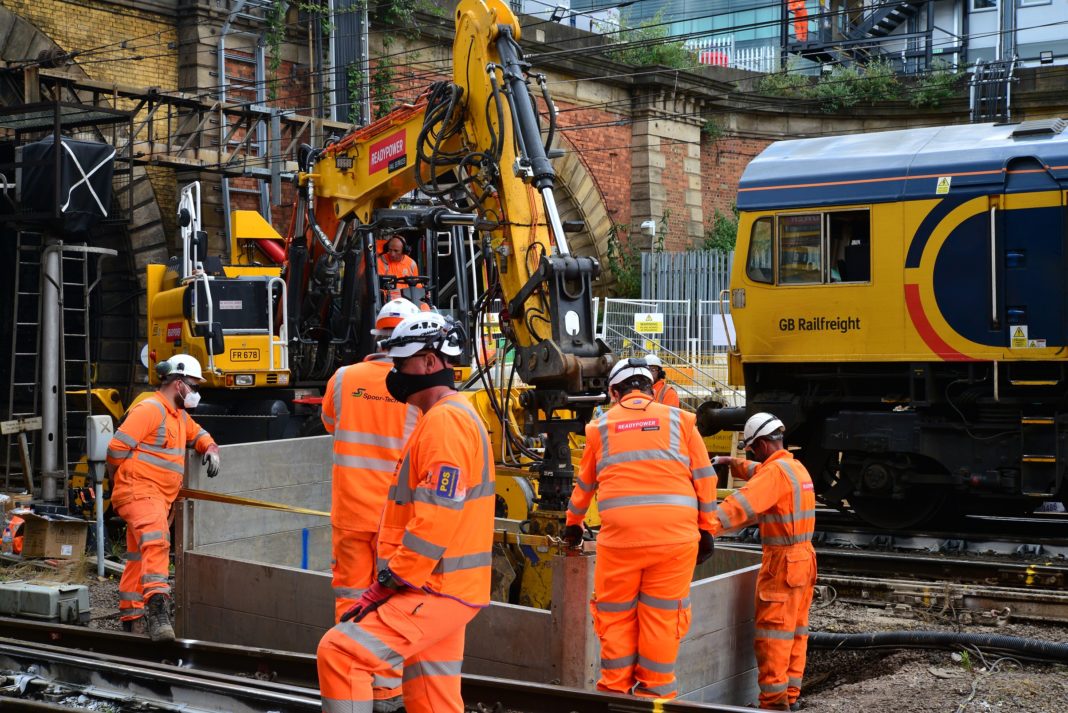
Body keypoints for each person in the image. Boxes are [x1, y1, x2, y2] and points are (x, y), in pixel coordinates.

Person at [317, 312, 495, 713]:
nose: (394, 372)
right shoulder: (448, 417)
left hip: (433, 586)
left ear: (431, 362)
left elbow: (438, 515)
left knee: (340, 653)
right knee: (433, 698)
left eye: (402, 363)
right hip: (450, 588)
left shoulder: (445, 424)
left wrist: (393, 579)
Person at [563, 358, 717, 700]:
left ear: (614, 392)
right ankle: (656, 698)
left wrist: (572, 526)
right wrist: (707, 530)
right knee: (662, 618)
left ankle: (614, 696)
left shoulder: (600, 428)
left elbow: (584, 488)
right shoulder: (682, 421)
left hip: (620, 544)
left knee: (616, 616)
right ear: (650, 388)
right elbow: (705, 479)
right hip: (675, 542)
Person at [320, 298, 422, 713]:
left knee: (350, 599)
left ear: (376, 335)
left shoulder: (344, 379)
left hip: (350, 513)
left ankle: (351, 688)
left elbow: (331, 423)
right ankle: (386, 692)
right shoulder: (414, 387)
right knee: (391, 604)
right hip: (395, 518)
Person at [106, 354, 220, 642]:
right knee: (157, 540)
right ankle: (157, 611)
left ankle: (132, 618)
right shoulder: (150, 409)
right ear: (178, 384)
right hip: (140, 491)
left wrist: (211, 448)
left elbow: (200, 434)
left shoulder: (178, 415)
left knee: (138, 555)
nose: (195, 392)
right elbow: (116, 450)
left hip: (155, 495)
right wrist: (122, 480)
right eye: (193, 385)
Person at [710, 412, 817, 711]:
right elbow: (763, 472)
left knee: (773, 636)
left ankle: (772, 704)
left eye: (752, 449)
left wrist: (703, 528)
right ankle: (790, 698)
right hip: (804, 560)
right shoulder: (795, 468)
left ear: (762, 445)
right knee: (795, 632)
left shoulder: (775, 475)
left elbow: (739, 506)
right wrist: (734, 464)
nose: (752, 455)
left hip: (782, 563)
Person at [376, 235, 420, 301]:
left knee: (425, 306)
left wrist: (424, 292)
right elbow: (377, 287)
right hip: (388, 302)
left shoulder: (411, 264)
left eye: (396, 251)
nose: (392, 254)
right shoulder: (380, 262)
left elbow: (417, 286)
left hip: (407, 301)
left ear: (404, 251)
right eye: (390, 250)